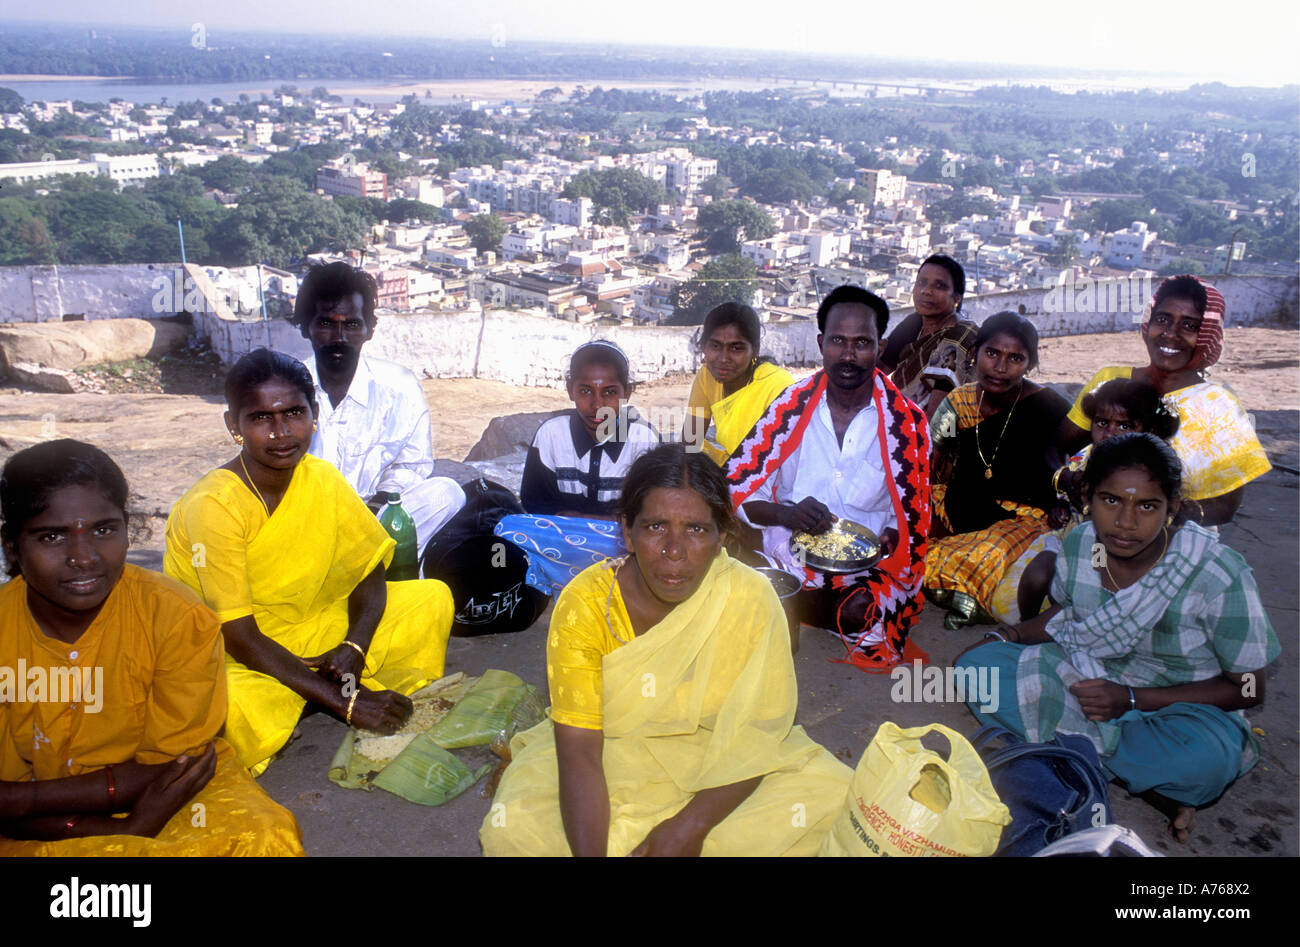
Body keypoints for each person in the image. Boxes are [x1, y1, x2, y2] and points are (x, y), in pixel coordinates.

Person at [479, 444, 853, 857]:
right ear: (627, 532)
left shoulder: (750, 597)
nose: (674, 551)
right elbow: (581, 751)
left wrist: (686, 829)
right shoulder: (584, 604)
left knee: (836, 796)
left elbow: (756, 737)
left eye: (696, 529)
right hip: (607, 759)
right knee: (514, 829)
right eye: (656, 527)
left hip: (725, 766)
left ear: (722, 537)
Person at [955, 433, 1278, 842]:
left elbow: (1249, 688)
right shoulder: (1085, 545)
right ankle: (1135, 780)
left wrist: (1130, 699)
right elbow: (1072, 613)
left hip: (1181, 706)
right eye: (1111, 501)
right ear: (1088, 497)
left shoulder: (1215, 574)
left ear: (1172, 508)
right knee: (975, 670)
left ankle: (1066, 758)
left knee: (1205, 765)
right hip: (1089, 678)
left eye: (1147, 506)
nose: (1126, 523)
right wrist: (1010, 634)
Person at [0, 440, 303, 855]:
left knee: (261, 838)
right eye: (52, 536)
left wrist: (23, 800)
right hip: (30, 825)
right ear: (12, 548)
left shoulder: (177, 618)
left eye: (104, 530)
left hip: (171, 799)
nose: (84, 557)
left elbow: (172, 769)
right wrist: (110, 828)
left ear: (127, 529)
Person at [163, 349, 454, 776]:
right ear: (234, 426)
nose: (281, 432)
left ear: (314, 414)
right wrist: (347, 703)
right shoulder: (214, 506)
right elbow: (239, 637)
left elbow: (368, 568)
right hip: (237, 653)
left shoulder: (321, 477)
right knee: (234, 704)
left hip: (313, 627)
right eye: (261, 418)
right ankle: (318, 693)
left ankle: (309, 692)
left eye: (294, 412)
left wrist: (353, 647)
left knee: (431, 598)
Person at [727, 285, 932, 671]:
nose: (849, 354)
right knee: (721, 548)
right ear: (821, 343)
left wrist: (886, 538)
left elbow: (911, 523)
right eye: (838, 341)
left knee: (863, 611)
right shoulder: (788, 408)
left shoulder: (909, 426)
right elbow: (738, 486)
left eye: (862, 343)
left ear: (881, 347)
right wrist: (784, 515)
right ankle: (791, 600)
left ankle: (784, 603)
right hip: (783, 550)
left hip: (862, 571)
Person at [1058, 274, 1270, 527]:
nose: (1171, 334)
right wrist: (1066, 480)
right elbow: (1058, 446)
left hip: (1175, 543)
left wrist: (1151, 516)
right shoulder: (1111, 379)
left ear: (1207, 333)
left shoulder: (1219, 406)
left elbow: (1225, 508)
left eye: (1190, 325)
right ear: (1149, 321)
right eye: (1163, 319)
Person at [292, 261, 466, 556]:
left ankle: (359, 563)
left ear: (369, 330)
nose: (339, 337)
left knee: (447, 493)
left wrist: (376, 507)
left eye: (351, 324)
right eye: (325, 324)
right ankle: (364, 565)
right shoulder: (288, 389)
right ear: (306, 328)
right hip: (305, 523)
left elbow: (412, 465)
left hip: (374, 518)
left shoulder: (399, 387)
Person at [925, 311, 1071, 629]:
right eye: (992, 353)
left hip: (1020, 518)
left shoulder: (1051, 409)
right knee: (898, 521)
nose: (1001, 367)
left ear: (1030, 365)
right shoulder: (959, 401)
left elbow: (1076, 466)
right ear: (975, 353)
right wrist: (931, 514)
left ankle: (975, 599)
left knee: (973, 555)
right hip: (958, 502)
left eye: (1015, 358)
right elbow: (934, 463)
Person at [496, 340, 659, 596]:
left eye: (609, 392)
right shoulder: (551, 434)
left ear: (627, 392)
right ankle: (604, 580)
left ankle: (563, 579)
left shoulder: (644, 439)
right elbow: (535, 503)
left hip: (618, 539)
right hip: (563, 536)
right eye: (585, 391)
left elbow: (650, 514)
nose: (597, 405)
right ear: (570, 390)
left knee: (648, 542)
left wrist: (582, 518)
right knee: (507, 530)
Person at [1010, 377, 1181, 621]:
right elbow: (1065, 495)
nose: (1109, 433)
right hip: (1072, 537)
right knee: (1037, 575)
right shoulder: (1085, 458)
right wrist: (1062, 506)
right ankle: (1028, 625)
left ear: (1150, 430)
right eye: (1102, 423)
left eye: (1124, 426)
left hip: (1129, 546)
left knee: (1097, 586)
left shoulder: (1157, 467)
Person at [683, 302, 795, 464]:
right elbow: (690, 441)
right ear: (704, 347)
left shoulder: (777, 386)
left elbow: (786, 462)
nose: (723, 358)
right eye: (715, 346)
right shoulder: (707, 375)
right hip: (724, 478)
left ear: (755, 350)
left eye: (736, 348)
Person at [879, 254, 979, 417]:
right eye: (921, 283)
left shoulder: (959, 336)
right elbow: (879, 369)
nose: (926, 291)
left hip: (934, 431)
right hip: (896, 418)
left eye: (939, 286)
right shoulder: (914, 323)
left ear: (957, 297)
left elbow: (937, 414)